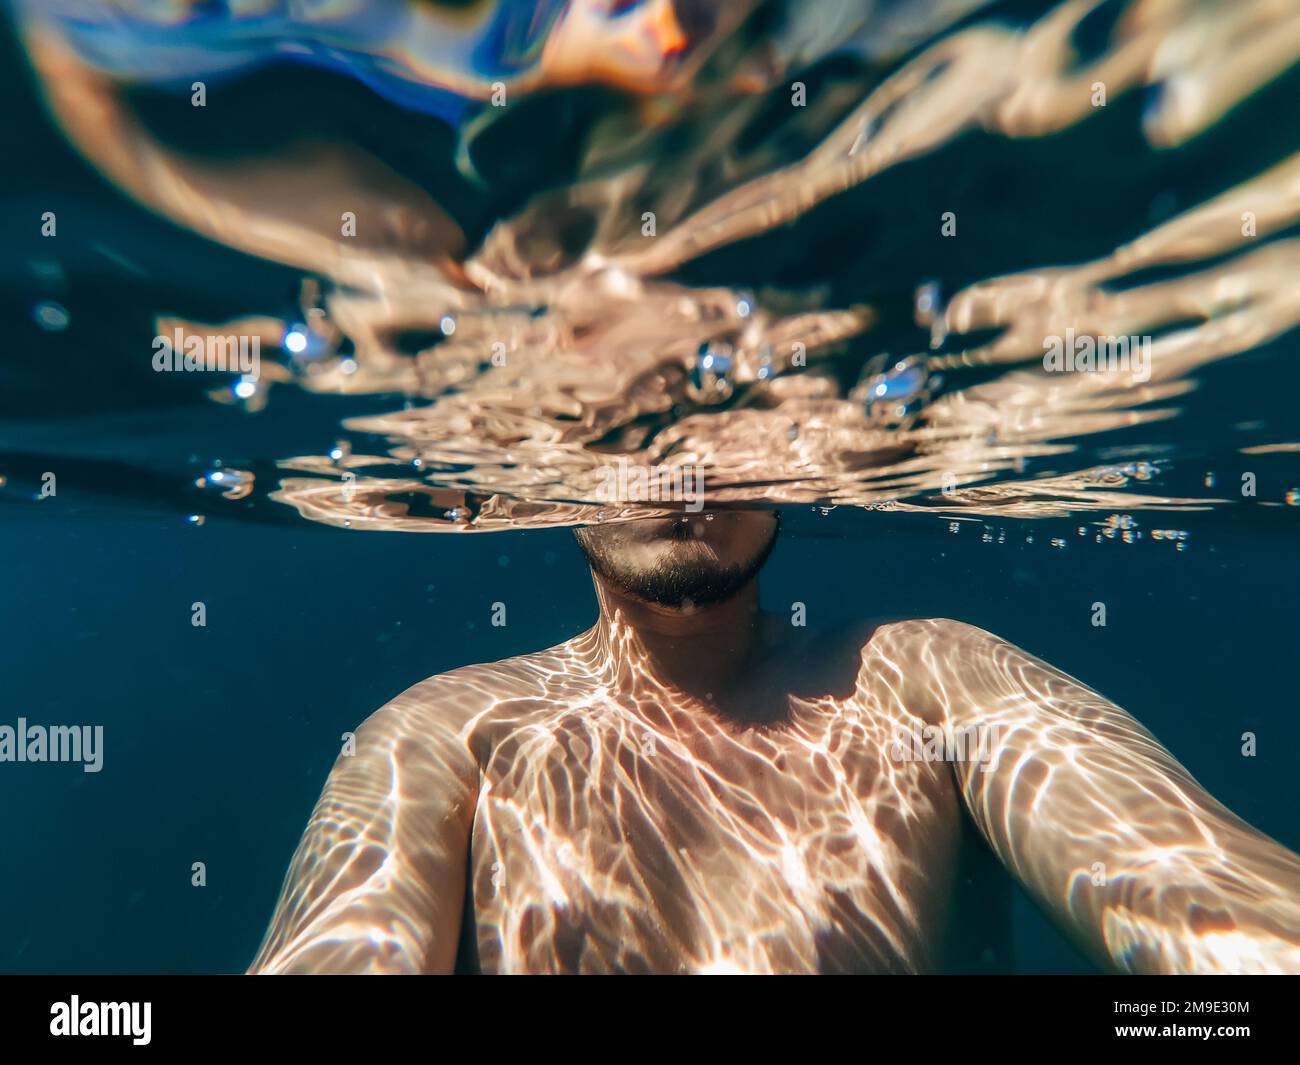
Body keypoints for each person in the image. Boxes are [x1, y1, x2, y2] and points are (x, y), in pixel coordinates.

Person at [249, 511, 1300, 974]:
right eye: (609, 415)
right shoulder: (447, 731)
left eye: (723, 410)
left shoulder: (929, 677)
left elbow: (1197, 908)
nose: (673, 457)